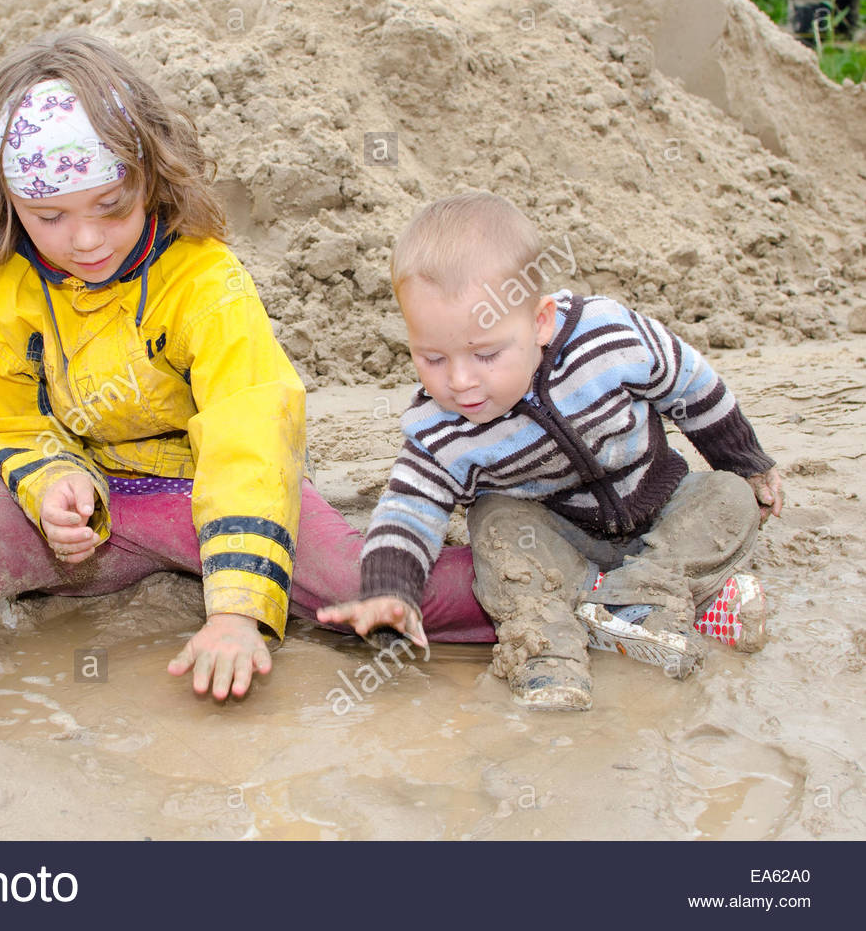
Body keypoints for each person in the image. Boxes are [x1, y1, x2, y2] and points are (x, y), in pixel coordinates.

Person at [0, 33, 495, 765]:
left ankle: (554, 582)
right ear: (7, 201)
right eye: (50, 216)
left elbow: (250, 432)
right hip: (82, 527)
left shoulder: (204, 281)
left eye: (110, 205)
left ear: (150, 175)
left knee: (360, 585)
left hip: (200, 492)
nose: (87, 238)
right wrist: (49, 478)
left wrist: (236, 613)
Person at [319, 192, 781, 711]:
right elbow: (408, 508)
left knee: (729, 497)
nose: (461, 381)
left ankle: (645, 593)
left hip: (659, 508)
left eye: (487, 353)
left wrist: (745, 461)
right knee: (496, 526)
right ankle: (548, 650)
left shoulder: (607, 336)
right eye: (432, 358)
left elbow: (690, 384)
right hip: (556, 539)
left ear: (539, 321)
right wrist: (389, 590)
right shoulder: (439, 427)